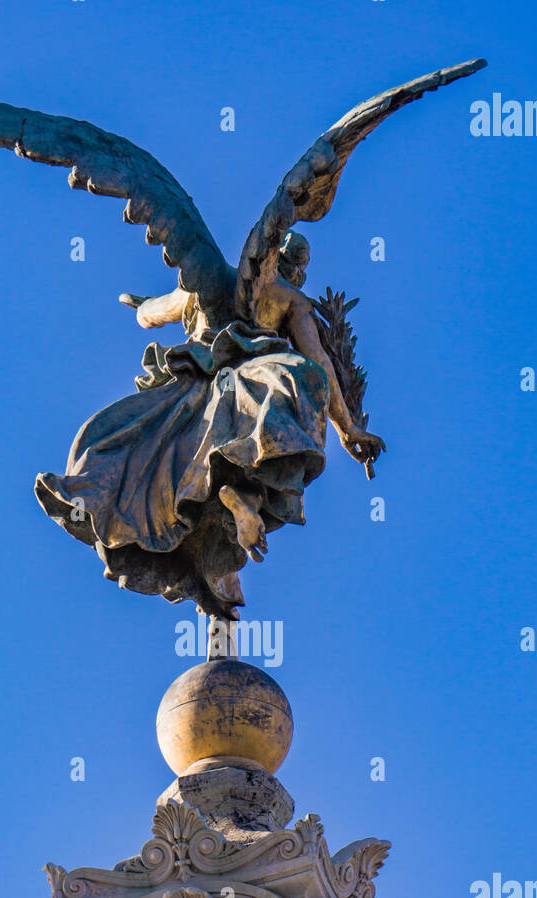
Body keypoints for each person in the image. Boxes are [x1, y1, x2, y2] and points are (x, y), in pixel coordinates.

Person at [35, 231, 383, 619]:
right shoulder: (288, 297)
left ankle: (221, 524)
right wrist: (347, 428)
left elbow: (150, 314)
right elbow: (318, 361)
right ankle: (240, 505)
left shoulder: (202, 285)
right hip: (253, 382)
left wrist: (141, 305)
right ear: (294, 268)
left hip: (192, 391)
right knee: (261, 441)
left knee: (138, 451)